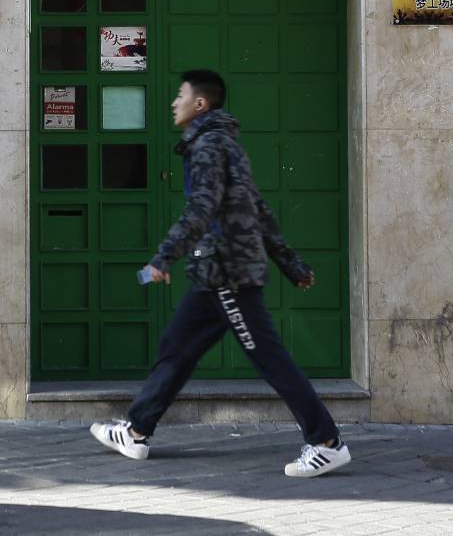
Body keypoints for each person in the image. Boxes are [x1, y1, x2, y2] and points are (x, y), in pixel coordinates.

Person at [90, 69, 351, 479]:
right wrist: (291, 264)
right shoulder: (225, 145)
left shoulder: (210, 146)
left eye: (180, 95)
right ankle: (137, 430)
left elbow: (202, 209)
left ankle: (326, 442)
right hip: (214, 274)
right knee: (177, 348)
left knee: (270, 359)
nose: (173, 102)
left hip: (229, 275)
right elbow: (260, 209)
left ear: (200, 103)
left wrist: (163, 258)